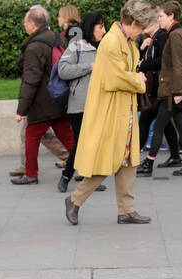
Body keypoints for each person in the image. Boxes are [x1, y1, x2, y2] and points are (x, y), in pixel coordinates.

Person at [65, 0, 154, 226]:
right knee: (108, 160)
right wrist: (139, 80)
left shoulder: (124, 40)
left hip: (123, 109)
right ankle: (75, 200)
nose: (143, 32)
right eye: (142, 27)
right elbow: (115, 78)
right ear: (133, 23)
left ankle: (126, 210)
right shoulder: (112, 42)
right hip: (111, 110)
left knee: (128, 161)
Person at [13, 5, 75, 184]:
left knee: (31, 135)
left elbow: (31, 80)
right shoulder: (58, 38)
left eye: (25, 21)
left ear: (32, 24)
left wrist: (21, 109)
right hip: (61, 98)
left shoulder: (34, 47)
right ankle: (89, 170)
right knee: (69, 137)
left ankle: (31, 174)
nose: (24, 25)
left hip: (43, 102)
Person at [142, 1, 182, 177]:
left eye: (161, 16)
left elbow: (179, 66)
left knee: (159, 125)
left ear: (171, 16)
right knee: (181, 127)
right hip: (176, 90)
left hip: (172, 91)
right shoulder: (178, 33)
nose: (158, 19)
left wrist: (177, 93)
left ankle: (148, 163)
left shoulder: (174, 36)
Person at [57, 11, 109, 193]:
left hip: (100, 104)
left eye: (104, 26)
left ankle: (90, 179)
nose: (104, 30)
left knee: (94, 142)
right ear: (90, 27)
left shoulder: (106, 47)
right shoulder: (77, 46)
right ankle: (66, 176)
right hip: (79, 104)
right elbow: (63, 70)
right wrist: (89, 67)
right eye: (100, 26)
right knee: (81, 143)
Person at [137, 12, 182, 168]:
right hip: (155, 86)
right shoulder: (151, 39)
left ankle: (137, 157)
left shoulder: (161, 36)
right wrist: (143, 47)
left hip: (158, 86)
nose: (143, 26)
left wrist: (142, 65)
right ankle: (176, 156)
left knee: (146, 120)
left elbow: (162, 61)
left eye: (146, 23)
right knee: (164, 122)